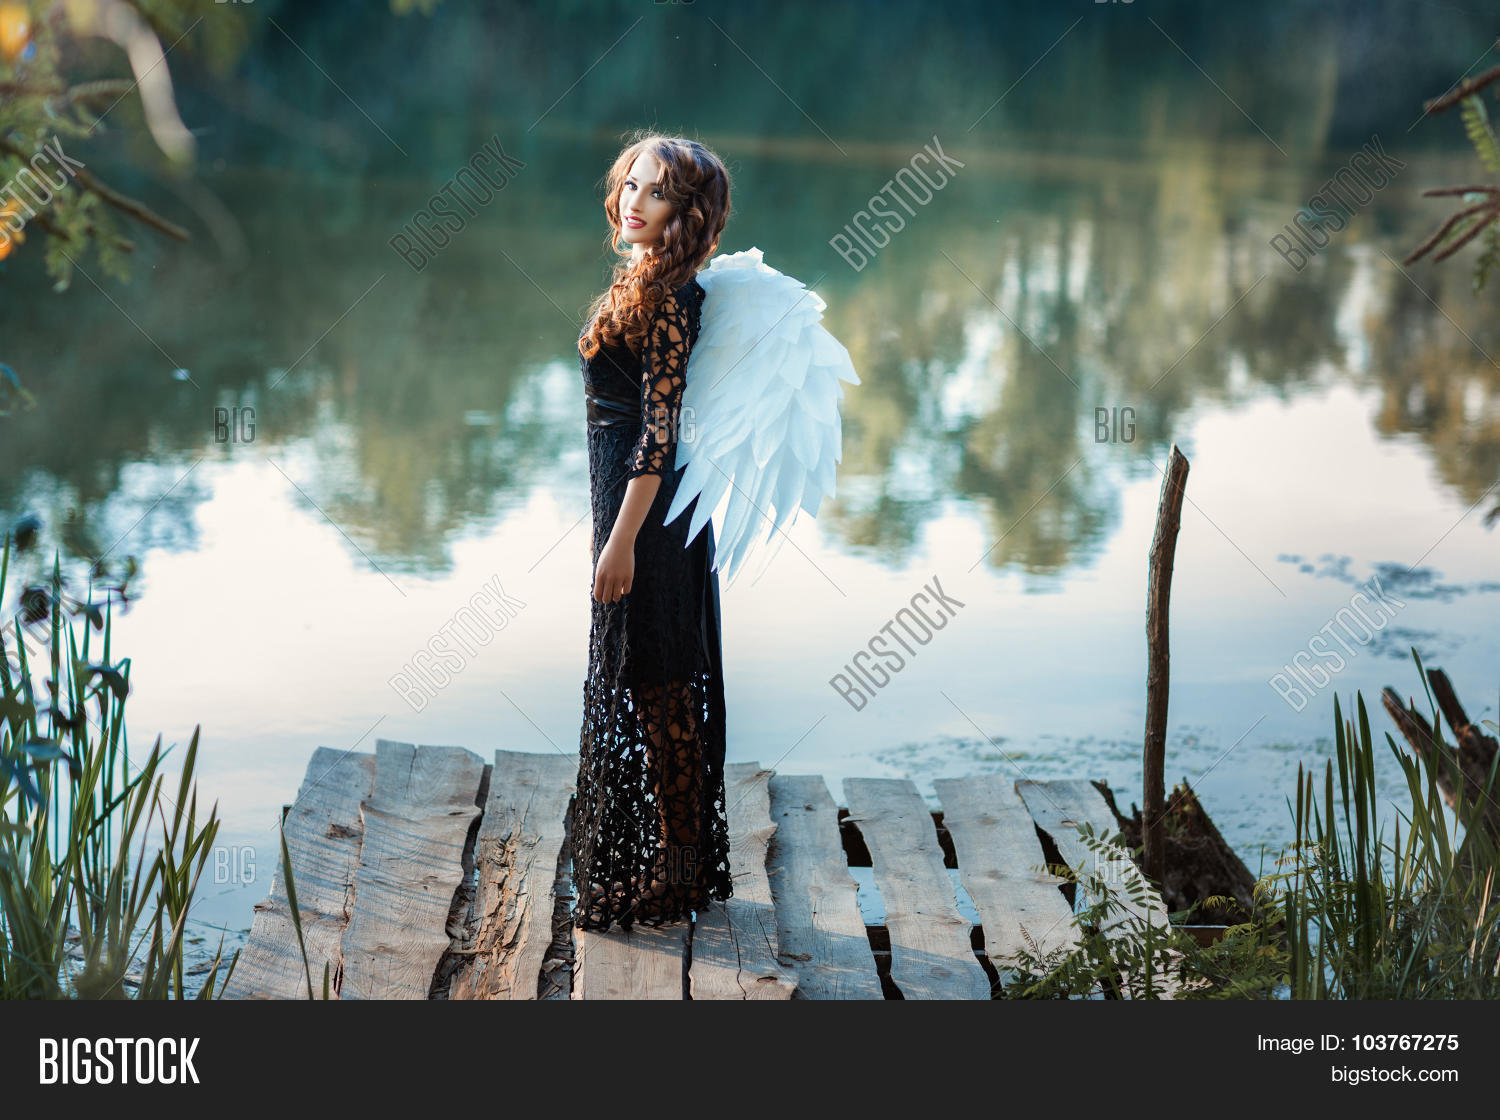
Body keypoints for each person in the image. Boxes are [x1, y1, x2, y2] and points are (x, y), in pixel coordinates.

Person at [572, 133, 735, 931]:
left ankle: (678, 872)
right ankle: (682, 861)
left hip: (651, 526)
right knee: (649, 685)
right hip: (630, 516)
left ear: (687, 213)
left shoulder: (671, 299)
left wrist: (621, 542)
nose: (634, 201)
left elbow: (657, 435)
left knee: (662, 686)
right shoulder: (646, 282)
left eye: (657, 192)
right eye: (631, 185)